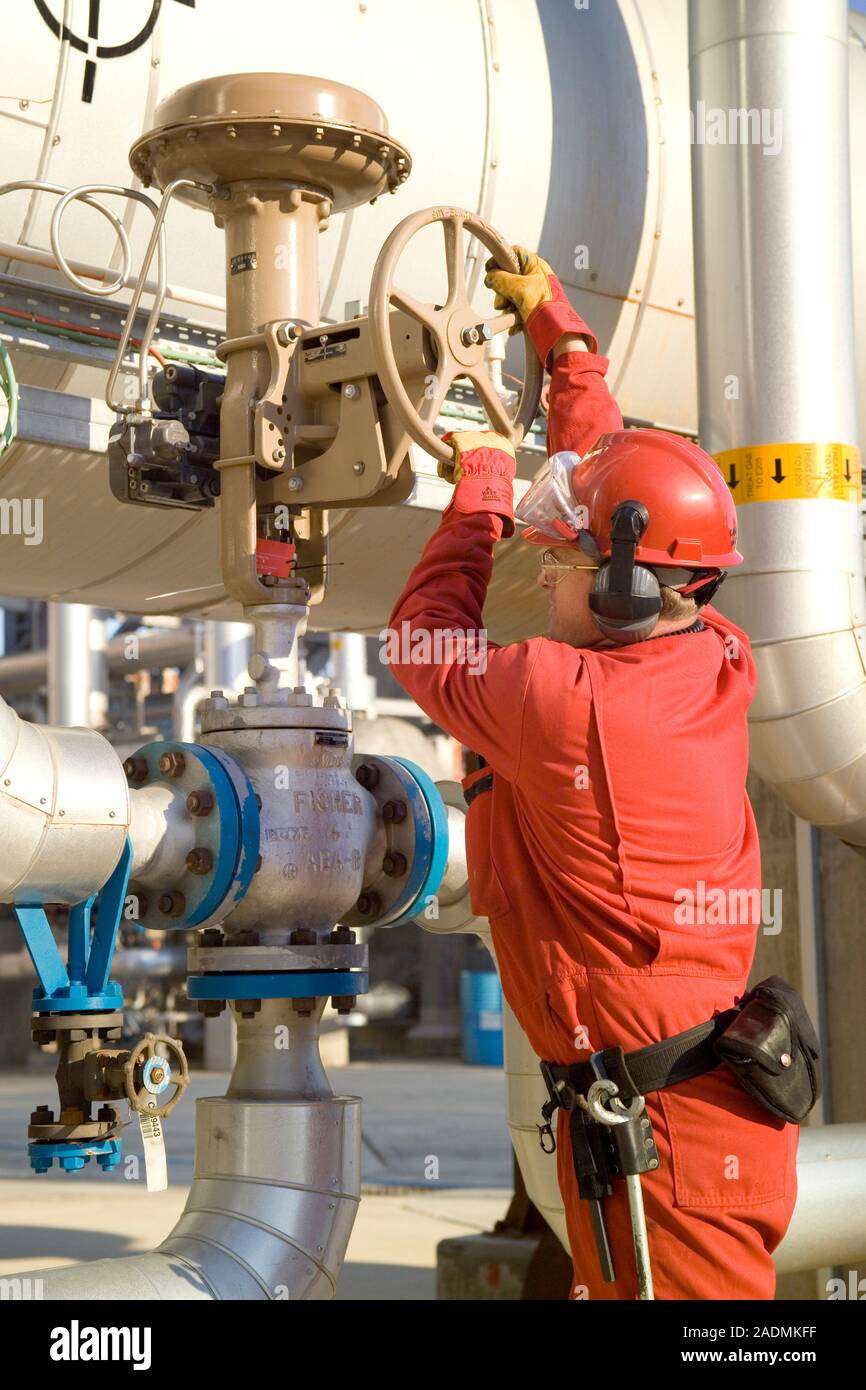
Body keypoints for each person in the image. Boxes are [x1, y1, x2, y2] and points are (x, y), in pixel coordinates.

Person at [385, 248, 800, 1300]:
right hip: (651, 1110)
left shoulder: (562, 699)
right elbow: (617, 473)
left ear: (619, 587)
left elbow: (420, 639)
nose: (544, 566)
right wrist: (556, 337)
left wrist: (478, 485)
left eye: (560, 562)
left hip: (669, 1144)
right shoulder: (706, 649)